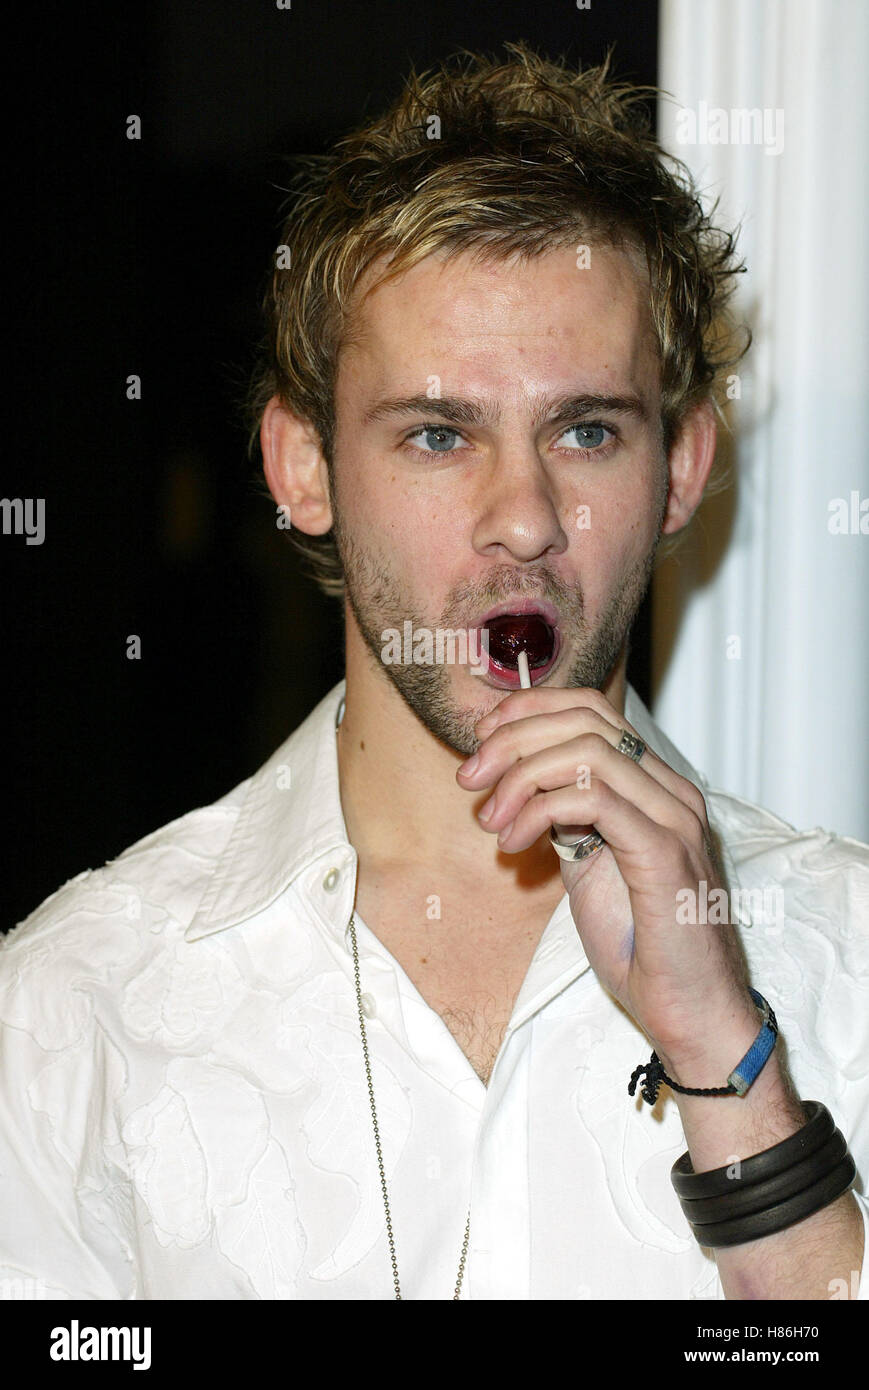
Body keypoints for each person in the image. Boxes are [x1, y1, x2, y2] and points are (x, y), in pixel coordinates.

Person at [1, 43, 866, 1302]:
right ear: (302, 470)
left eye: (583, 430)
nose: (520, 516)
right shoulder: (76, 1006)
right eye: (436, 433)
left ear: (679, 468)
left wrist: (727, 1061)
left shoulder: (847, 956)